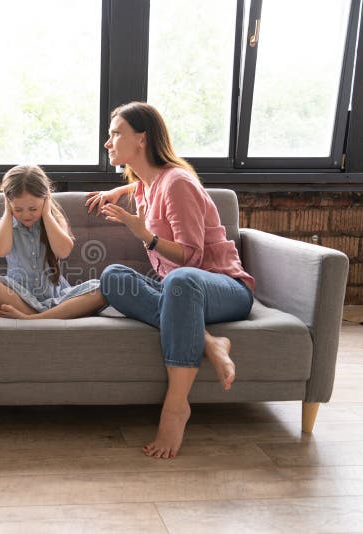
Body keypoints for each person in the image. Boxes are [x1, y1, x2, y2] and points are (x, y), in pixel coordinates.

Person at [86, 102, 254, 460]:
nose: (108, 142)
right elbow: (145, 186)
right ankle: (210, 341)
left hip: (224, 287)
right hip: (178, 291)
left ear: (142, 139)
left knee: (180, 279)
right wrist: (117, 192)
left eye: (115, 134)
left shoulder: (177, 183)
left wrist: (144, 235)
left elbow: (191, 257)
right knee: (114, 278)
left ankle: (176, 407)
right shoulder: (146, 186)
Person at [0, 164, 106, 320]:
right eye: (18, 209)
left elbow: (63, 251)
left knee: (104, 288)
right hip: (18, 297)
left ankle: (32, 318)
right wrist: (8, 213)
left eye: (33, 209)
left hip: (56, 297)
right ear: (8, 202)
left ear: (46, 198)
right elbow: (0, 250)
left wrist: (47, 215)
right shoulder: (7, 223)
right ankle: (43, 316)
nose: (26, 215)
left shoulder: (55, 220)